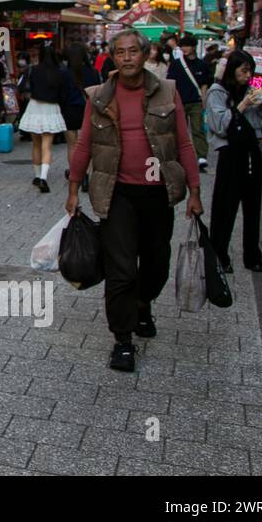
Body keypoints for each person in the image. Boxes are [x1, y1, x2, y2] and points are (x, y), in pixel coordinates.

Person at [66, 28, 203, 373]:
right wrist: (72, 187)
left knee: (156, 264)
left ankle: (144, 303)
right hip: (118, 192)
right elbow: (84, 144)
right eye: (120, 53)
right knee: (122, 270)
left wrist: (195, 191)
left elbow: (184, 144)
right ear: (113, 57)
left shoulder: (166, 92)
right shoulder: (99, 97)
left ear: (145, 55)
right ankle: (123, 340)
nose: (127, 58)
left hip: (158, 192)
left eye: (133, 52)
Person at [205, 50, 262, 274]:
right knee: (225, 206)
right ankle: (220, 254)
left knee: (253, 205)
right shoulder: (218, 91)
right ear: (232, 70)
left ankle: (252, 255)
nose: (247, 75)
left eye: (250, 71)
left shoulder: (251, 90)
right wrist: (243, 104)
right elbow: (219, 125)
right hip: (229, 153)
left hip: (251, 152)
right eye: (243, 70)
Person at [19, 40, 67, 193]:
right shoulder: (60, 71)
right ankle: (44, 178)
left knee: (36, 144)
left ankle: (37, 175)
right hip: (51, 108)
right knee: (47, 145)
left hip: (34, 107)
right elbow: (62, 93)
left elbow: (23, 87)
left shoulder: (33, 69)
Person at [169, 34, 212, 171]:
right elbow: (171, 83)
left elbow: (205, 84)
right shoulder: (176, 64)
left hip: (196, 102)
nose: (184, 49)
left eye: (187, 46)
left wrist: (204, 99)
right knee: (180, 131)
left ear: (194, 47)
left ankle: (201, 157)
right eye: (182, 46)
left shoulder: (202, 65)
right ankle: (178, 156)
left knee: (198, 129)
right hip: (179, 102)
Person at [61, 42, 101, 192]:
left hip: (70, 110)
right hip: (89, 110)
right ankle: (87, 177)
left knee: (72, 145)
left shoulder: (64, 73)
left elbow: (62, 94)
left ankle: (76, 175)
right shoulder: (93, 72)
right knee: (88, 145)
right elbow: (98, 93)